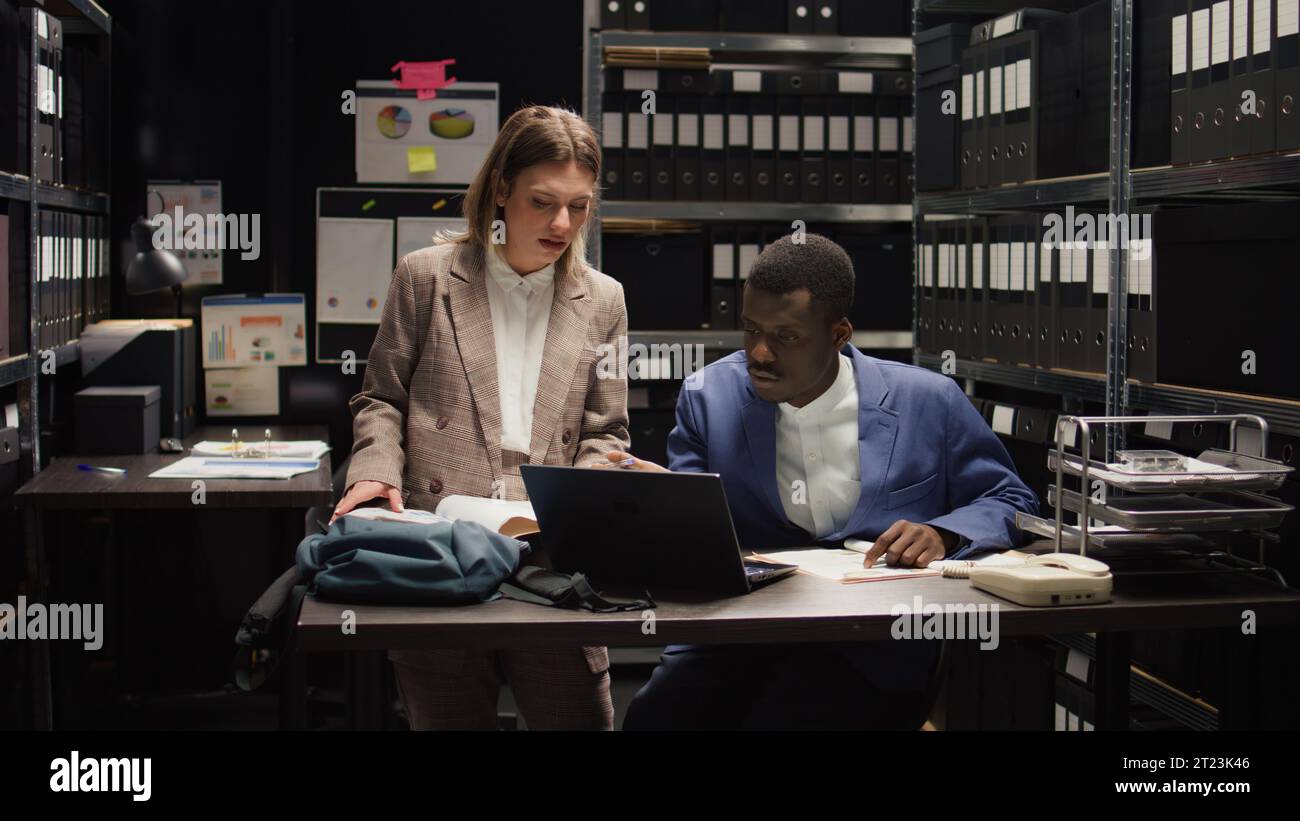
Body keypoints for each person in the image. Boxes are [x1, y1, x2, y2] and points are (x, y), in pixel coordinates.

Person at [603, 233, 1038, 730]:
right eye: (750, 331)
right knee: (650, 722)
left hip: (872, 646)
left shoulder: (928, 401)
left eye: (786, 336)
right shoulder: (708, 399)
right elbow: (694, 543)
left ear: (838, 334)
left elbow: (1010, 498)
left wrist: (945, 533)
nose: (759, 354)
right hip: (738, 640)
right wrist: (663, 504)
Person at [334, 105, 630, 730]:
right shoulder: (425, 277)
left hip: (549, 548)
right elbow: (379, 399)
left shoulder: (603, 299)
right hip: (441, 545)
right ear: (501, 187)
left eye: (578, 207)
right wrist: (373, 468)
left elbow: (606, 430)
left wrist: (587, 498)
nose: (561, 224)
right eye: (542, 201)